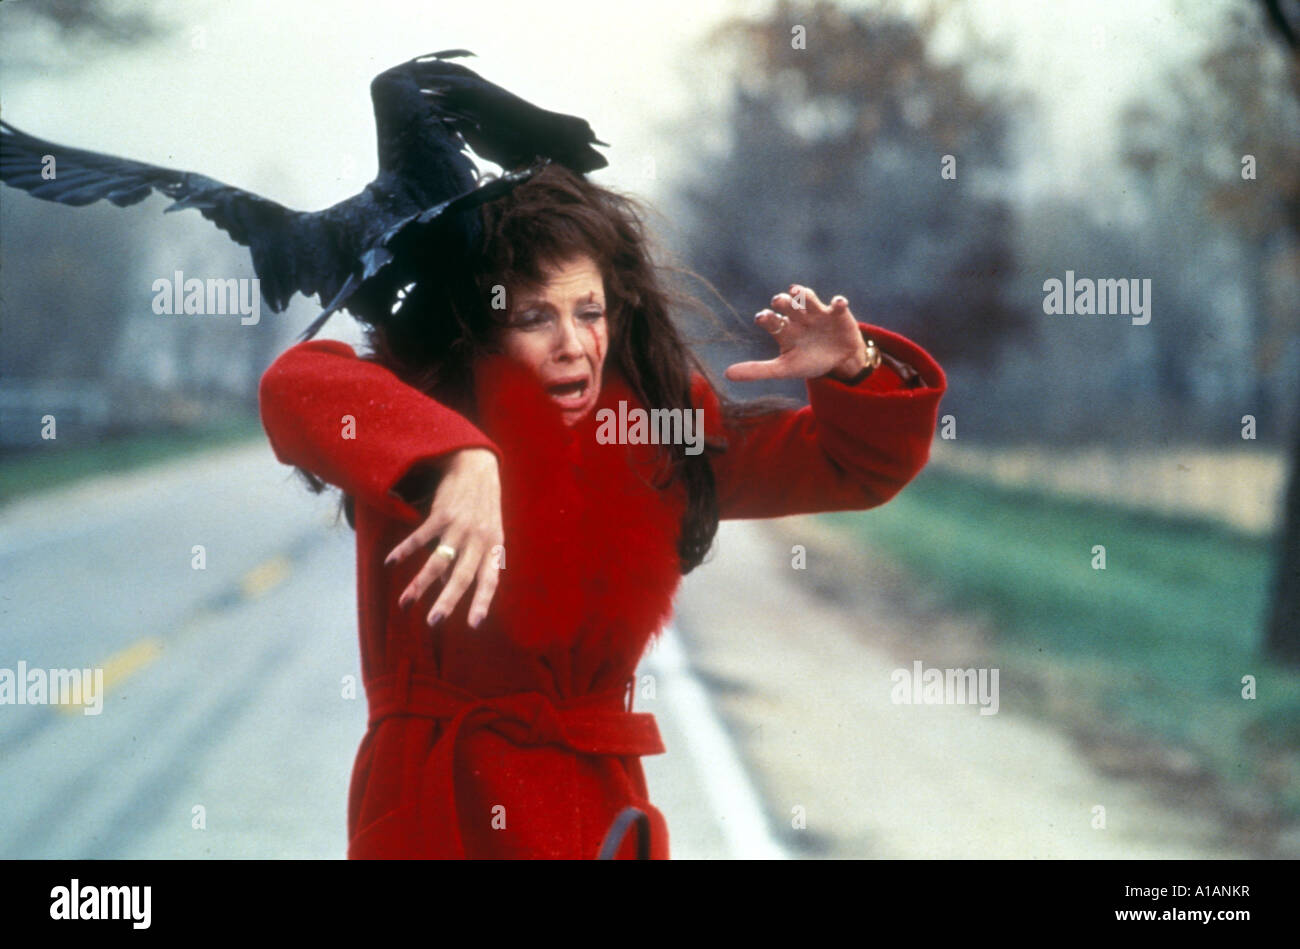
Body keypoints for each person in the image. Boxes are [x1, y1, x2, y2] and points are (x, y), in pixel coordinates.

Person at [257, 163, 947, 859]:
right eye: (534, 317)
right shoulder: (420, 406)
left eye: (589, 312)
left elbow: (855, 467)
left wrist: (854, 369)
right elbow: (295, 386)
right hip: (436, 813)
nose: (573, 343)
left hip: (597, 813)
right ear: (480, 328)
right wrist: (458, 455)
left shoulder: (654, 434)